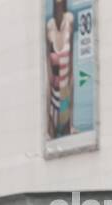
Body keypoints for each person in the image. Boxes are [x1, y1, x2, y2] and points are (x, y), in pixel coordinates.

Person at [45, 0, 75, 139]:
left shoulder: (69, 20)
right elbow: (48, 72)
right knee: (52, 136)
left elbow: (72, 64)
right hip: (54, 95)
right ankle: (50, 128)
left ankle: (69, 125)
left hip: (65, 94)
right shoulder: (49, 26)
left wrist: (71, 122)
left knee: (66, 133)